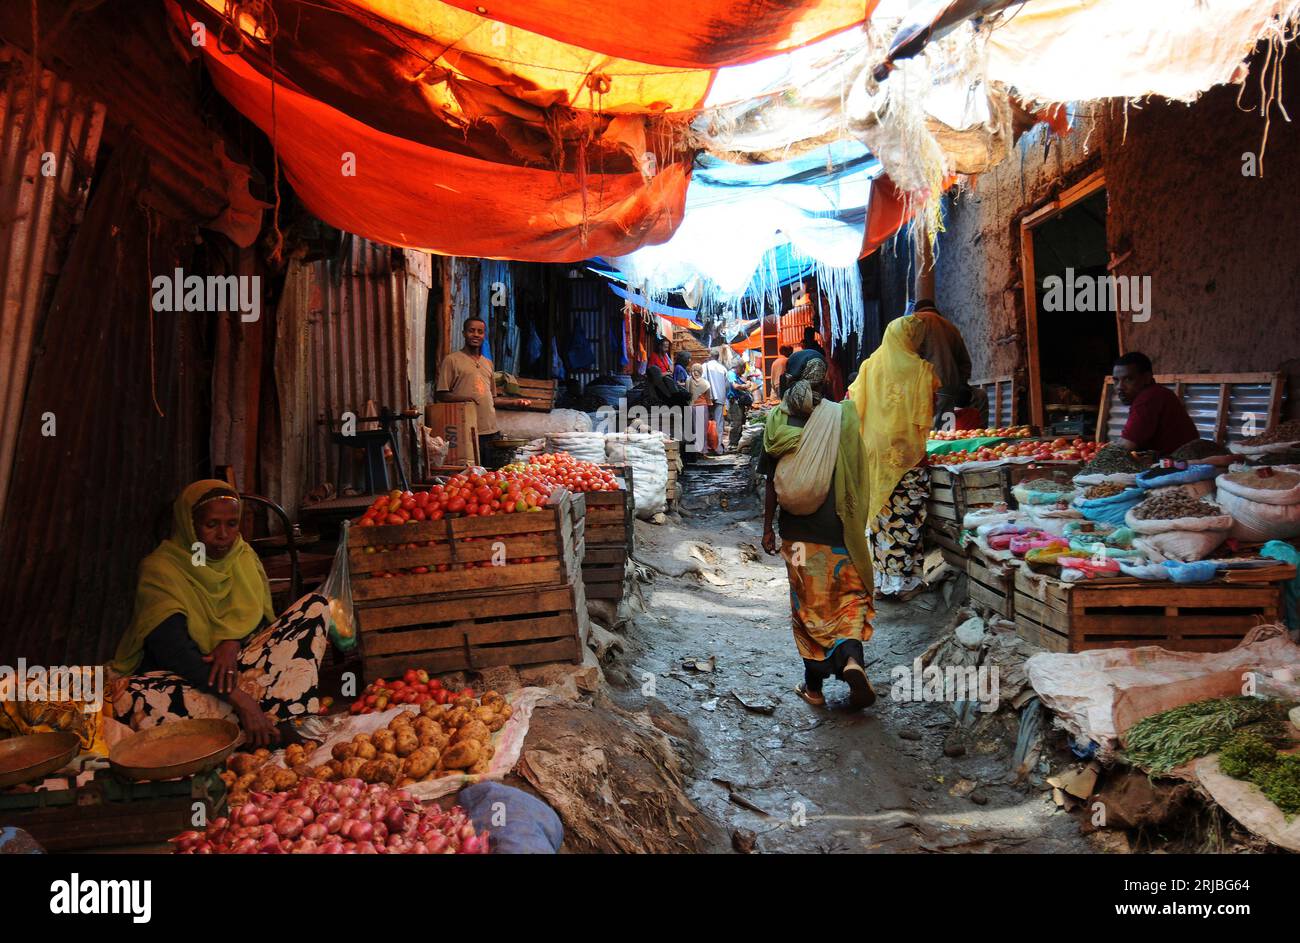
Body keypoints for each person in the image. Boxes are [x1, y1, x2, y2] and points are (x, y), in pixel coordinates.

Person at [110, 482, 329, 746]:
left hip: (241, 669)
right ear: (189, 525)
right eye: (211, 525)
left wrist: (231, 641)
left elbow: (259, 624)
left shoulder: (242, 556)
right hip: (189, 678)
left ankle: (232, 728)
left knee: (314, 606)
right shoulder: (161, 569)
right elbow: (174, 652)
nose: (223, 534)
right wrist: (240, 699)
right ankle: (266, 720)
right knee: (131, 698)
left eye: (232, 523)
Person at [761, 351, 876, 709]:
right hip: (839, 530)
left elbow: (770, 482)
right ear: (824, 380)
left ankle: (814, 689)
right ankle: (851, 658)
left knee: (808, 605)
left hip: (798, 537)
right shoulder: (841, 417)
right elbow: (858, 473)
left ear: (790, 379)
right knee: (847, 597)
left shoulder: (778, 421)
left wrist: (767, 529)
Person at [848, 316, 940, 600]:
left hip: (874, 453)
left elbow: (853, 402)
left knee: (880, 517)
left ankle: (880, 580)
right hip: (906, 454)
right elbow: (927, 412)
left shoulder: (868, 366)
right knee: (906, 517)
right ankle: (903, 584)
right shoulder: (921, 369)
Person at [436, 317, 527, 468]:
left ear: (484, 335)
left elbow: (492, 399)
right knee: (471, 475)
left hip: (490, 429)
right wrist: (466, 399)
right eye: (472, 331)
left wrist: (515, 402)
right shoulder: (452, 360)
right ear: (464, 333)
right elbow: (441, 395)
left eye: (480, 332)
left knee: (491, 474)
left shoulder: (487, 363)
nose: (476, 335)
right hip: (466, 429)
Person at [1111, 351, 1200, 455]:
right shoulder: (1156, 393)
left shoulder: (1148, 398)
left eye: (1128, 379)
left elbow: (1125, 447)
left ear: (1146, 378)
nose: (1119, 387)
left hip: (1182, 464)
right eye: (1116, 380)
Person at [911, 299, 973, 429]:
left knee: (927, 437)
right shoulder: (951, 327)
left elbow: (908, 356)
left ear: (916, 311)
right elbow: (965, 363)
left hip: (924, 390)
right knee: (943, 435)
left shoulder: (914, 322)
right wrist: (960, 384)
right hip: (949, 389)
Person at [727, 357, 758, 450]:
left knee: (740, 422)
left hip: (738, 402)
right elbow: (735, 386)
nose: (744, 370)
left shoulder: (736, 376)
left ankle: (737, 444)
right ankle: (732, 444)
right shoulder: (731, 374)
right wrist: (746, 386)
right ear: (738, 367)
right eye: (743, 368)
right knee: (736, 423)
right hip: (734, 401)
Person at [703, 349, 730, 456]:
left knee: (706, 423)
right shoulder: (723, 369)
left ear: (710, 356)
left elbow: (702, 380)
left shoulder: (705, 366)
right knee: (718, 423)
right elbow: (727, 385)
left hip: (707, 398)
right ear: (718, 357)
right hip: (720, 397)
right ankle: (718, 448)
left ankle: (707, 448)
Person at [686, 362, 714, 454]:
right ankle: (703, 451)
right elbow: (708, 399)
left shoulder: (688, 381)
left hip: (692, 407)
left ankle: (695, 452)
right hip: (703, 407)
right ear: (701, 371)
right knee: (702, 430)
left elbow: (687, 394)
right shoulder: (705, 383)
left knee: (694, 430)